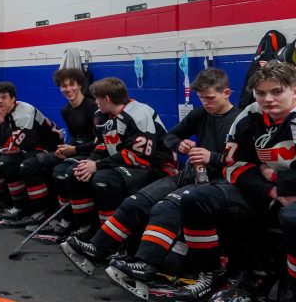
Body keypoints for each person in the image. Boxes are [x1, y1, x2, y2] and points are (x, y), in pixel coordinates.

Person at [60, 69, 237, 279]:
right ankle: (99, 249)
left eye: (210, 98)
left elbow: (243, 160)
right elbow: (170, 136)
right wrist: (180, 144)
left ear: (227, 93)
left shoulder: (239, 119)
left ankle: (145, 263)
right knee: (135, 202)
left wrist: (213, 157)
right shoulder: (200, 113)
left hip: (219, 182)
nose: (205, 103)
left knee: (165, 207)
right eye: (201, 98)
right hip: (190, 175)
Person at [173, 63, 296, 302]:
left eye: (277, 91)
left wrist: (270, 174)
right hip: (266, 191)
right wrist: (272, 187)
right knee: (196, 198)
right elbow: (234, 166)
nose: (268, 99)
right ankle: (211, 275)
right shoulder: (249, 116)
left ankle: (293, 300)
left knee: (292, 217)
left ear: (294, 90)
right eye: (261, 93)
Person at [61, 77, 174, 242]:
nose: (95, 102)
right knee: (75, 172)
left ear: (107, 99)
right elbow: (102, 145)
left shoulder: (138, 114)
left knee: (104, 180)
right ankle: (87, 227)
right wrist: (90, 162)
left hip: (156, 166)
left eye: (97, 98)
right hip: (125, 161)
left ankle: (111, 239)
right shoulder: (100, 115)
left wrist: (97, 165)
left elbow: (139, 157)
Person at [15, 68, 98, 231]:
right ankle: (43, 212)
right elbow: (76, 136)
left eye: (72, 84)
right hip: (76, 150)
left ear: (80, 85)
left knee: (60, 173)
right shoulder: (65, 110)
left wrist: (74, 149)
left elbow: (98, 141)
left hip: (91, 154)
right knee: (29, 166)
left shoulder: (92, 108)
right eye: (63, 86)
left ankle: (74, 222)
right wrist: (64, 149)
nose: (68, 89)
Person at [0, 81, 61, 224]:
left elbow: (16, 144)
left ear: (13, 99)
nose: (0, 101)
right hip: (21, 146)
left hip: (45, 146)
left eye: (4, 98)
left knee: (7, 162)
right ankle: (1, 200)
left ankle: (24, 207)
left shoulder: (25, 112)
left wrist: (2, 124)